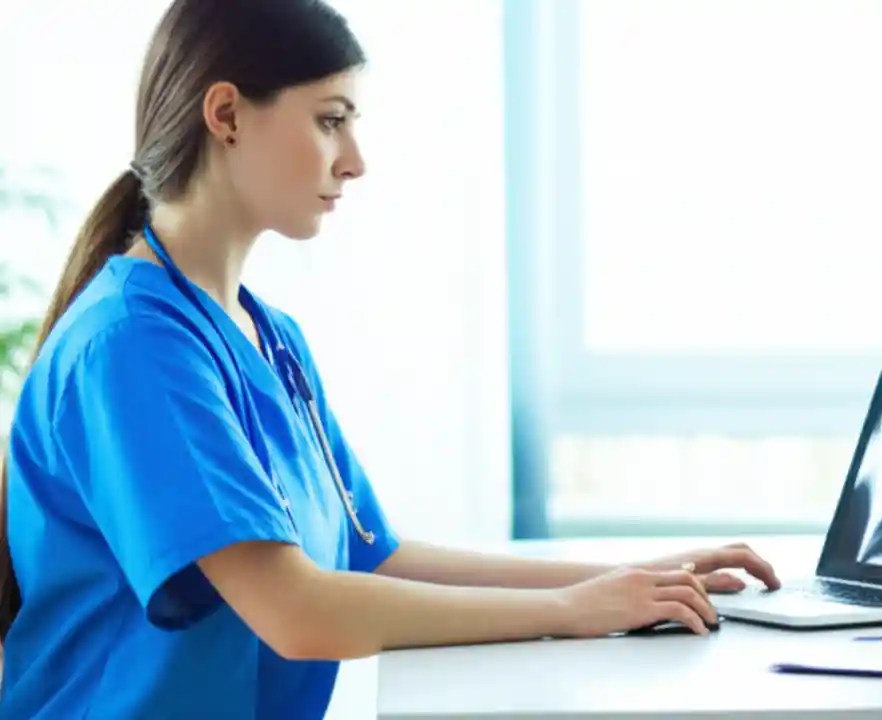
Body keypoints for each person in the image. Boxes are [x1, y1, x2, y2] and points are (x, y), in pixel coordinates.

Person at [0, 1, 781, 717]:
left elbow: (376, 560)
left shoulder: (268, 337)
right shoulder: (132, 347)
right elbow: (297, 612)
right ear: (228, 114)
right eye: (331, 120)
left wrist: (629, 582)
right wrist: (576, 611)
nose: (355, 160)